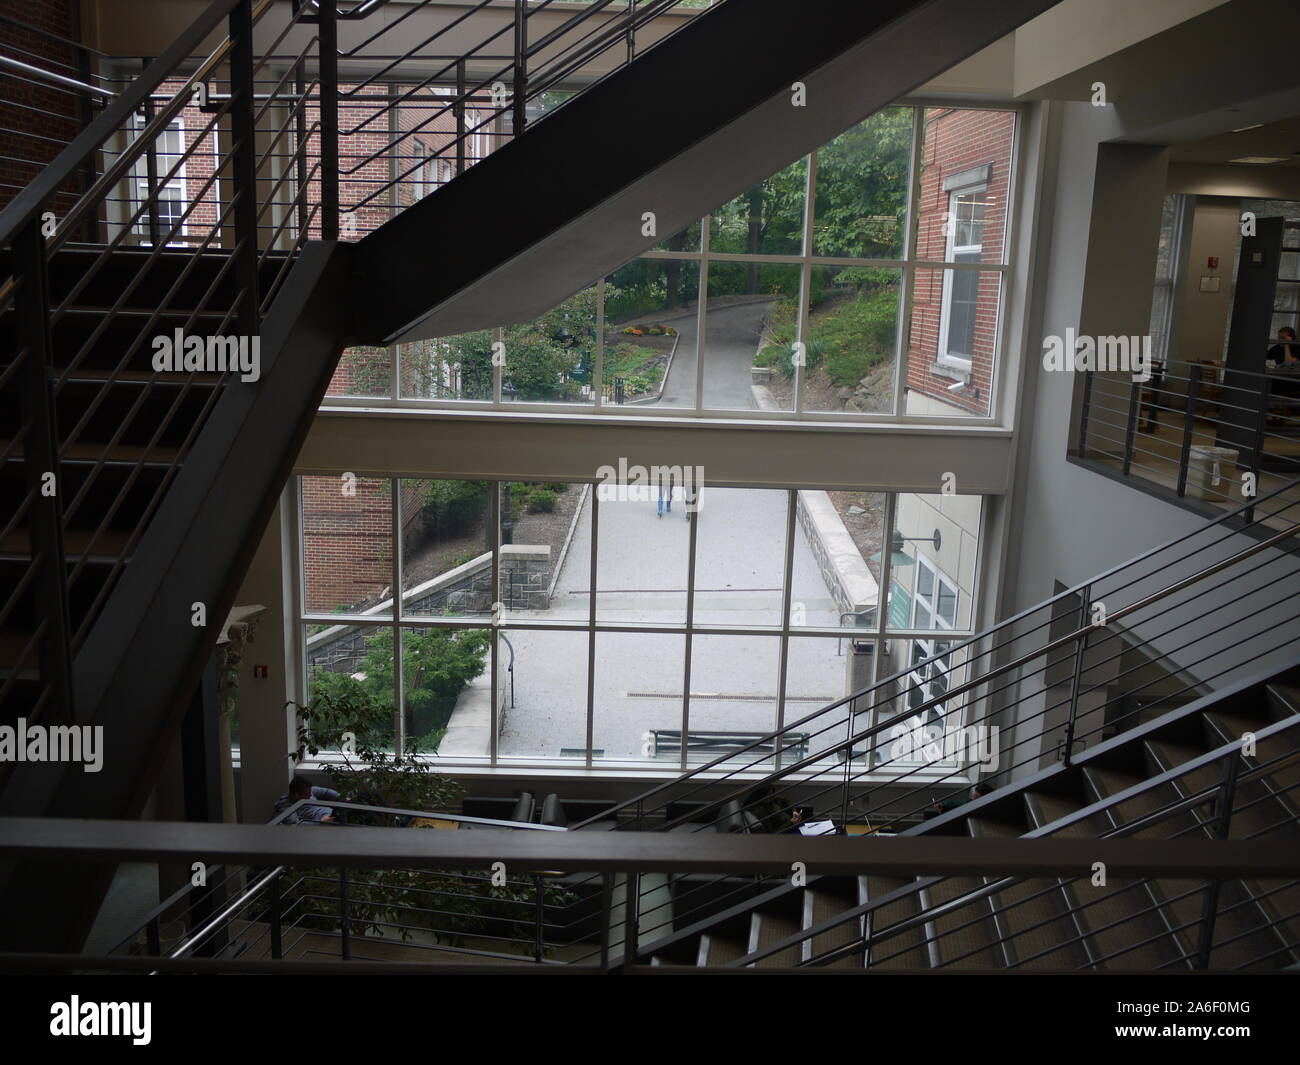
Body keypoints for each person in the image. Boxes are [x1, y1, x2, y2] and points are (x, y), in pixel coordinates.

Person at [276, 775, 340, 824]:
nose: (310, 795)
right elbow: (295, 825)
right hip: (324, 825)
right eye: (307, 794)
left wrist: (342, 797)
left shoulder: (308, 791)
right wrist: (320, 823)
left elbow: (326, 792)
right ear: (296, 795)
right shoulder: (286, 806)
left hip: (335, 815)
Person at [925, 781, 993, 818]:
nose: (973, 798)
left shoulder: (980, 809)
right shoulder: (971, 802)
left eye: (976, 796)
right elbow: (957, 803)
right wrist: (942, 805)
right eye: (974, 795)